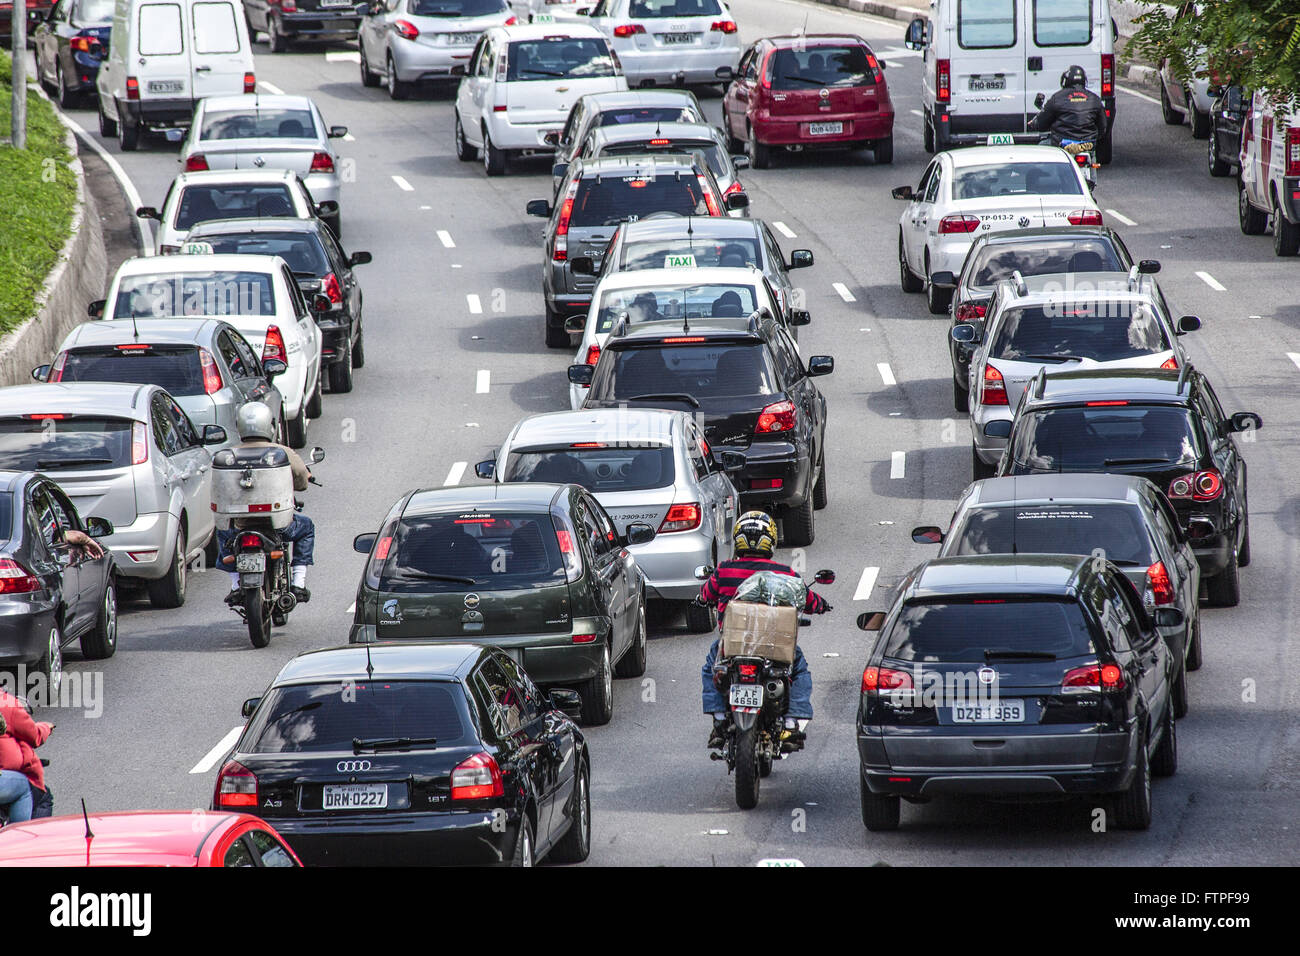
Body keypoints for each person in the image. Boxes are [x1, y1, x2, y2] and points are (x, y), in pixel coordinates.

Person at [697, 511, 830, 749]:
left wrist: (703, 597)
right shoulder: (785, 574)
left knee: (710, 666)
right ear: (771, 539)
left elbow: (705, 595)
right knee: (799, 670)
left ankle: (718, 719)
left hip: (732, 646)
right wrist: (822, 606)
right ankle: (791, 723)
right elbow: (808, 600)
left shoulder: (725, 570)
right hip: (773, 646)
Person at [218, 402, 315, 606]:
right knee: (306, 528)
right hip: (279, 524)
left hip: (240, 525)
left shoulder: (228, 456)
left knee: (221, 531)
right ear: (269, 425)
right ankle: (299, 582)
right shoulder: (282, 452)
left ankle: (236, 585)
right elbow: (301, 481)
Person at [0, 690, 52, 824]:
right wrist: (46, 727)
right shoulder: (7, 704)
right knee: (35, 793)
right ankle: (22, 840)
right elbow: (34, 735)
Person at [1029, 65, 1109, 146]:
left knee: (1042, 145)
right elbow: (1103, 127)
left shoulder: (1057, 98)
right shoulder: (1095, 99)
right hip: (1087, 145)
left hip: (1061, 145)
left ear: (1065, 81)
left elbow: (1041, 124)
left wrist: (1035, 123)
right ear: (1084, 80)